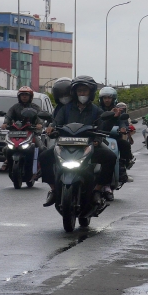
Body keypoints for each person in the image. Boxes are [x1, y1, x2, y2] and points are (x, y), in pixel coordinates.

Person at [50, 75, 117, 203]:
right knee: (44, 156)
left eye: (84, 91)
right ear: (74, 92)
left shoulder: (96, 110)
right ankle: (53, 190)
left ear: (90, 93)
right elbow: (55, 123)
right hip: (66, 145)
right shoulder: (66, 109)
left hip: (89, 145)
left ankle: (98, 189)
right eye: (79, 91)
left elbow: (102, 127)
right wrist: (51, 128)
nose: (82, 93)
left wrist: (97, 139)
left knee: (111, 158)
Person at [0, 86, 43, 171]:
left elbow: (40, 117)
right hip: (16, 132)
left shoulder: (35, 107)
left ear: (30, 96)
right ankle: (7, 160)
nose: (24, 96)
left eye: (26, 95)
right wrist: (5, 123)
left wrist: (39, 124)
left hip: (31, 132)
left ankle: (39, 166)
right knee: (6, 148)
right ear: (19, 96)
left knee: (41, 148)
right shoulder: (14, 107)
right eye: (22, 95)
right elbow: (8, 116)